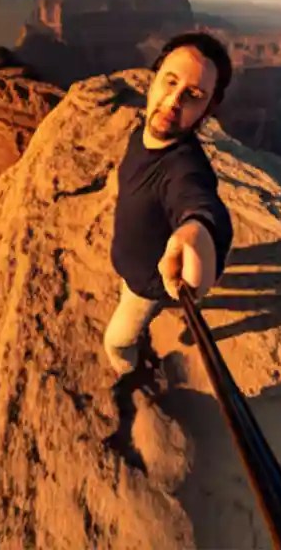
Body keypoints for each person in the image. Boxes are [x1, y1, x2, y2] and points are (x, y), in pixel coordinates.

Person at [104, 32, 235, 377]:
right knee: (127, 299)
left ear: (206, 112)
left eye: (193, 95)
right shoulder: (141, 135)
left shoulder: (183, 166)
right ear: (153, 80)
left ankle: (126, 369)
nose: (174, 100)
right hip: (133, 268)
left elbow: (197, 200)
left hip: (148, 285)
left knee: (116, 339)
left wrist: (198, 230)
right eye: (170, 81)